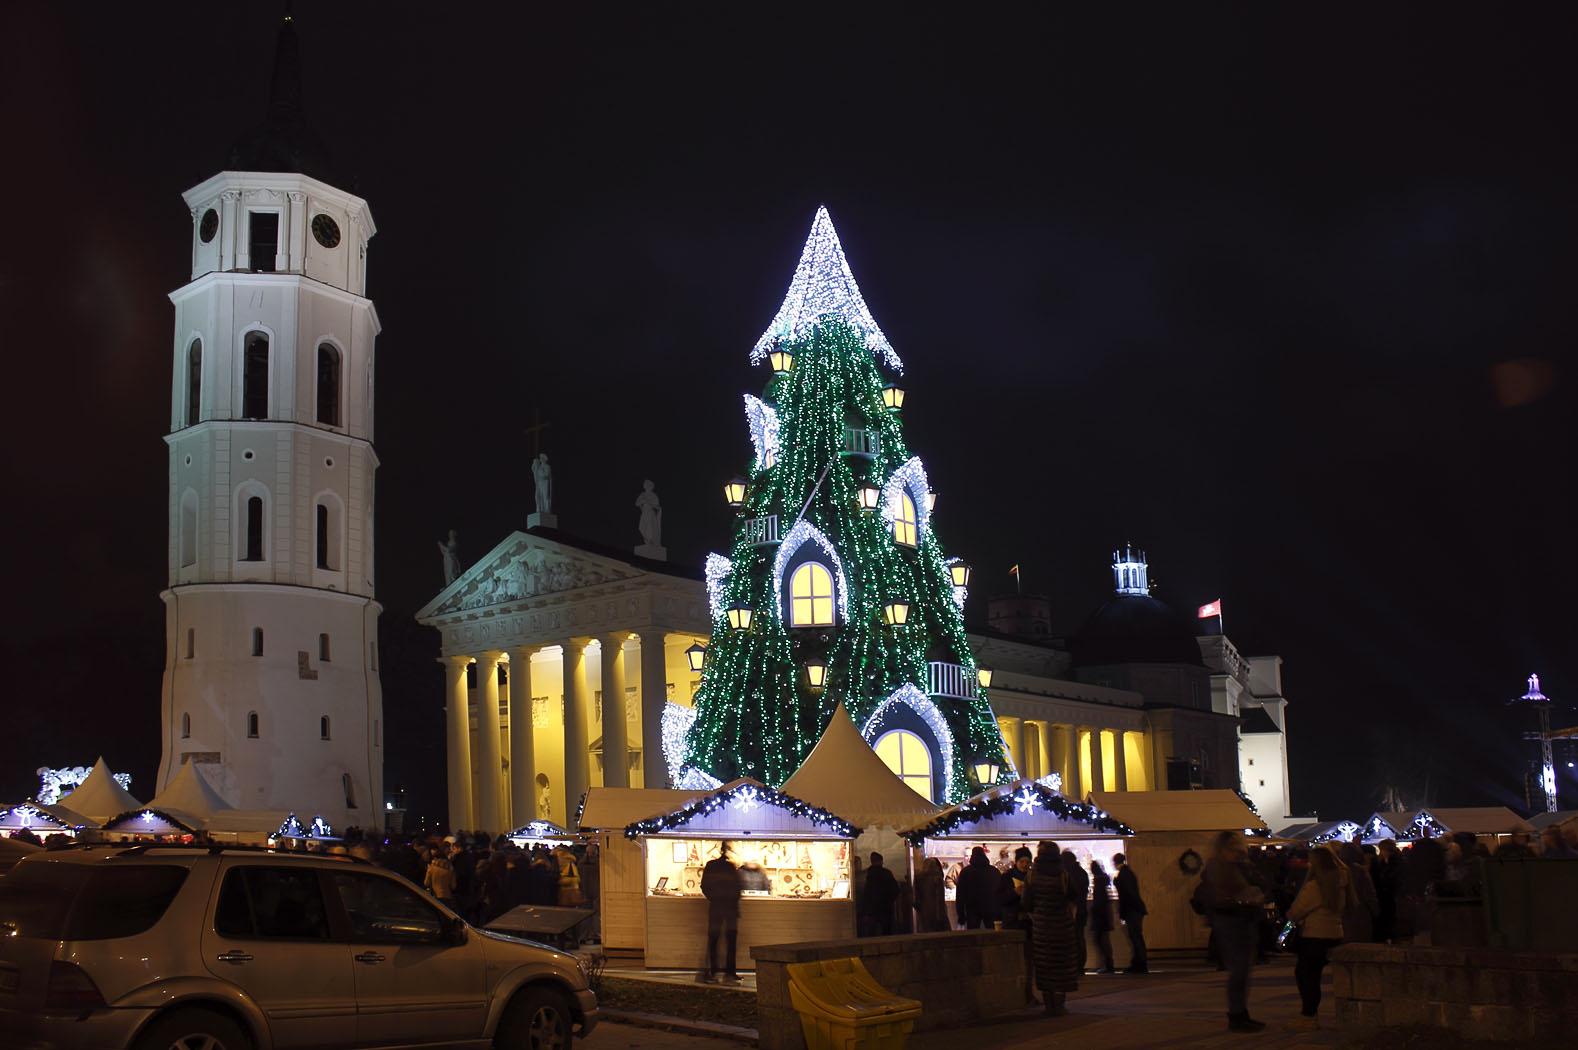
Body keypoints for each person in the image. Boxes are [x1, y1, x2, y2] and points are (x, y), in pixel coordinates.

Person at [1202, 830, 1268, 1033]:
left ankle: (1241, 1013)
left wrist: (1246, 864)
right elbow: (1220, 895)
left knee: (1244, 971)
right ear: (1222, 848)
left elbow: (1262, 883)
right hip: (1230, 921)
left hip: (1244, 919)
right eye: (1232, 846)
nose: (1237, 849)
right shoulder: (1217, 867)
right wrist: (1240, 899)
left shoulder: (1239, 865)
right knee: (1238, 971)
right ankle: (1236, 1015)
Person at [1286, 845, 1358, 1030]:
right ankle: (1310, 1015)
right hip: (1335, 933)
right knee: (1311, 974)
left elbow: (1296, 912)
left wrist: (1289, 917)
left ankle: (1308, 1016)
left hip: (1314, 935)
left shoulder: (1315, 886)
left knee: (1306, 976)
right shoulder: (1340, 882)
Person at [1022, 841, 1079, 1016]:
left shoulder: (1032, 875)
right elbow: (1074, 897)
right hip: (1062, 927)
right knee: (1061, 965)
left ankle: (1049, 1005)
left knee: (1045, 966)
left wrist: (1036, 915)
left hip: (1042, 928)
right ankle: (1060, 1005)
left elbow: (1026, 903)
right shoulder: (1063, 874)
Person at [701, 842, 743, 983]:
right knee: (730, 941)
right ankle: (730, 972)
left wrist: (714, 898)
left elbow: (705, 886)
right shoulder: (731, 868)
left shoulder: (711, 866)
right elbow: (737, 887)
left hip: (716, 907)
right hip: (730, 908)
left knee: (714, 940)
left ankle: (713, 972)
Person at [1001, 847, 1037, 1003]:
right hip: (1013, 923)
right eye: (1022, 861)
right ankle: (1015, 995)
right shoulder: (1007, 877)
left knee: (1029, 962)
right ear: (1016, 862)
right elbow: (1000, 899)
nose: (1024, 864)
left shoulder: (1033, 877)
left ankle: (1028, 993)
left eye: (1027, 861)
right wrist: (1014, 893)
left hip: (1030, 924)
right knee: (1014, 961)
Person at [1113, 852, 1148, 973]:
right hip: (1136, 909)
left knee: (1135, 936)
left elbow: (1127, 894)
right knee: (1137, 936)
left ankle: (1140, 963)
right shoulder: (1128, 873)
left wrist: (1123, 911)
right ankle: (1140, 962)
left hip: (1132, 910)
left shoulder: (1123, 875)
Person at [955, 846, 1002, 929]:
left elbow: (960, 895)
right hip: (990, 907)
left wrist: (961, 915)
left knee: (973, 934)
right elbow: (1000, 891)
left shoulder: (966, 872)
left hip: (972, 908)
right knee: (991, 934)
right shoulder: (994, 871)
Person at [1062, 850, 1091, 974]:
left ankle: (1074, 965)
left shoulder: (1067, 873)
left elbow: (1069, 894)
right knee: (1079, 937)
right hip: (1081, 910)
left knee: (1072, 939)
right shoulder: (1082, 872)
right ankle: (1080, 965)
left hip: (1072, 910)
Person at [1088, 858, 1117, 973]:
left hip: (1100, 917)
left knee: (1100, 940)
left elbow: (1099, 901)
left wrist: (1094, 911)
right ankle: (1107, 964)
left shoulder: (1098, 882)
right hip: (1104, 916)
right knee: (1103, 940)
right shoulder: (1103, 881)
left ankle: (1107, 965)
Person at [861, 852, 900, 936]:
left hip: (871, 909)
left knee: (871, 933)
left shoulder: (867, 875)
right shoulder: (887, 873)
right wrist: (889, 901)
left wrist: (865, 911)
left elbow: (865, 893)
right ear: (881, 861)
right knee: (886, 931)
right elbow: (895, 890)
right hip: (886, 908)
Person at [914, 857, 950, 932]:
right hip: (937, 912)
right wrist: (940, 915)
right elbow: (939, 897)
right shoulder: (937, 878)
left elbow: (915, 897)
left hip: (924, 910)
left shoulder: (918, 878)